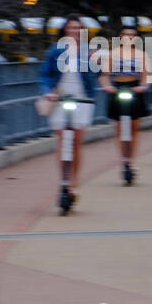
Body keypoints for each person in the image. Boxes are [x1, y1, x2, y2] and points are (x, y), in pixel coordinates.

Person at [38, 15, 98, 206]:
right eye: (72, 28)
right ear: (65, 31)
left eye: (79, 28)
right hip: (60, 98)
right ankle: (63, 182)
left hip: (83, 99)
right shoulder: (55, 50)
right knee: (63, 139)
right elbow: (45, 75)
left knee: (77, 143)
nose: (75, 31)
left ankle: (73, 182)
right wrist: (48, 93)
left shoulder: (88, 51)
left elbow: (96, 74)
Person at [99, 22, 152, 183]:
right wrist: (107, 86)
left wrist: (143, 86)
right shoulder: (112, 55)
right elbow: (104, 75)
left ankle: (132, 161)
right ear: (120, 37)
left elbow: (146, 75)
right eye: (126, 35)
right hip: (118, 88)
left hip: (134, 88)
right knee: (119, 128)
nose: (129, 38)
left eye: (133, 35)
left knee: (135, 128)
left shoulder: (142, 55)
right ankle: (124, 161)